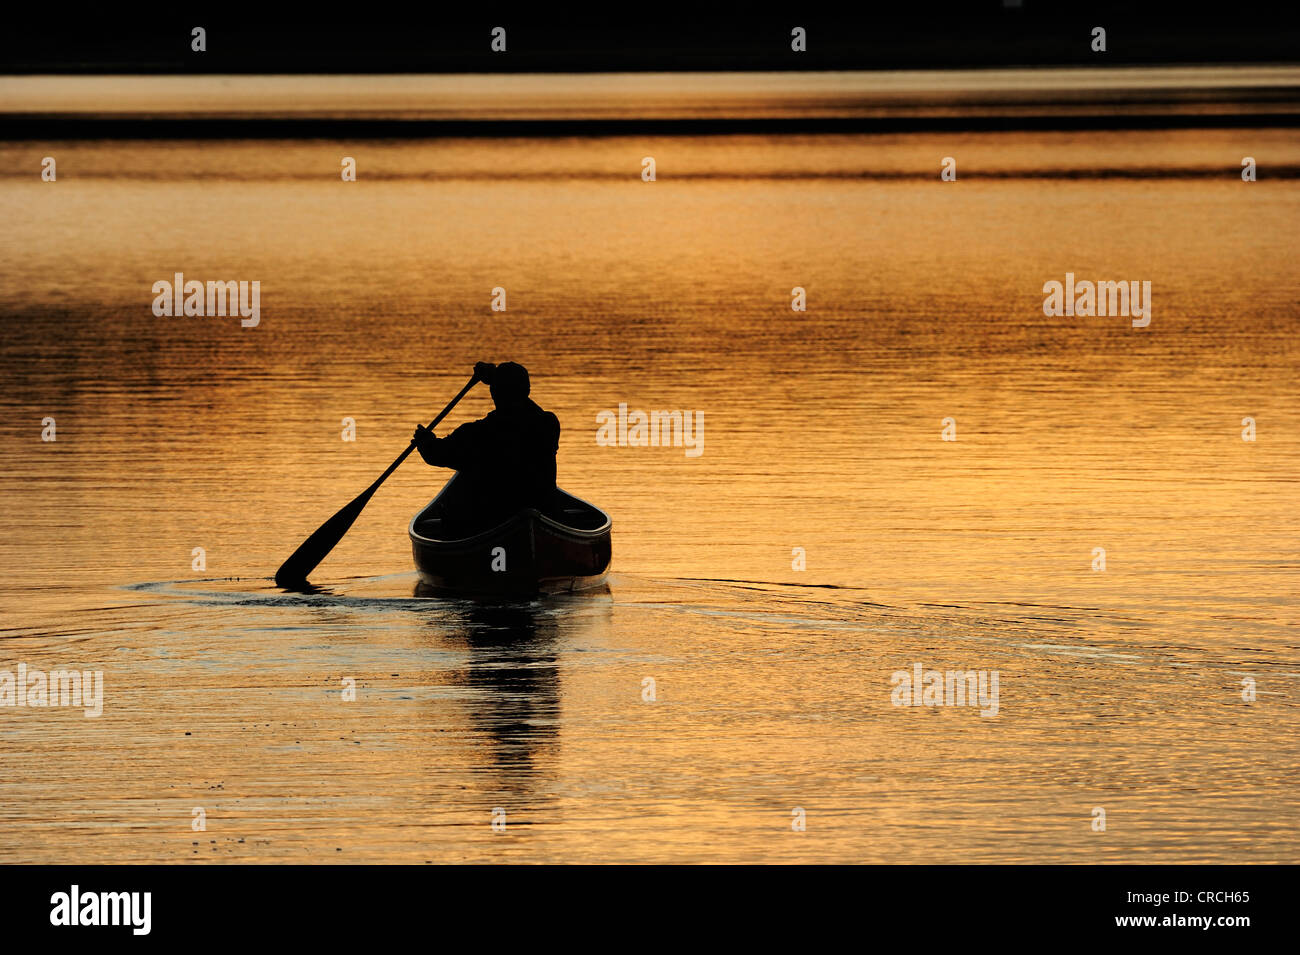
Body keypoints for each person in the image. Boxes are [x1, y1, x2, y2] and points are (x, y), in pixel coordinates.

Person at [412, 361, 560, 533]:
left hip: (489, 520)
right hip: (544, 512)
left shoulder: (476, 434)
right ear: (527, 390)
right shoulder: (548, 424)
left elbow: (436, 454)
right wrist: (496, 378)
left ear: (493, 393)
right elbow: (526, 408)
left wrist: (425, 441)